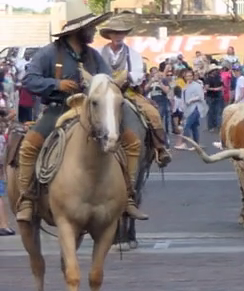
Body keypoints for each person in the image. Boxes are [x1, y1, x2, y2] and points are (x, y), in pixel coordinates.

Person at [11, 12, 149, 222]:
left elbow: (108, 81)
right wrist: (56, 85)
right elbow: (29, 79)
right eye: (90, 28)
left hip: (91, 110)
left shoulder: (93, 55)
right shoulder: (49, 53)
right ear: (77, 32)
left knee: (131, 142)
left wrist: (116, 83)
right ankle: (27, 200)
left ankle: (128, 197)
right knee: (29, 146)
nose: (94, 32)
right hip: (59, 109)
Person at [96, 14, 172, 170]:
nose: (119, 36)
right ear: (109, 35)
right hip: (103, 92)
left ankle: (160, 148)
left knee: (152, 112)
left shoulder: (133, 54)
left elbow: (139, 75)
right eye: (115, 33)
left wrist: (127, 76)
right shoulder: (97, 53)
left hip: (127, 91)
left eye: (121, 33)